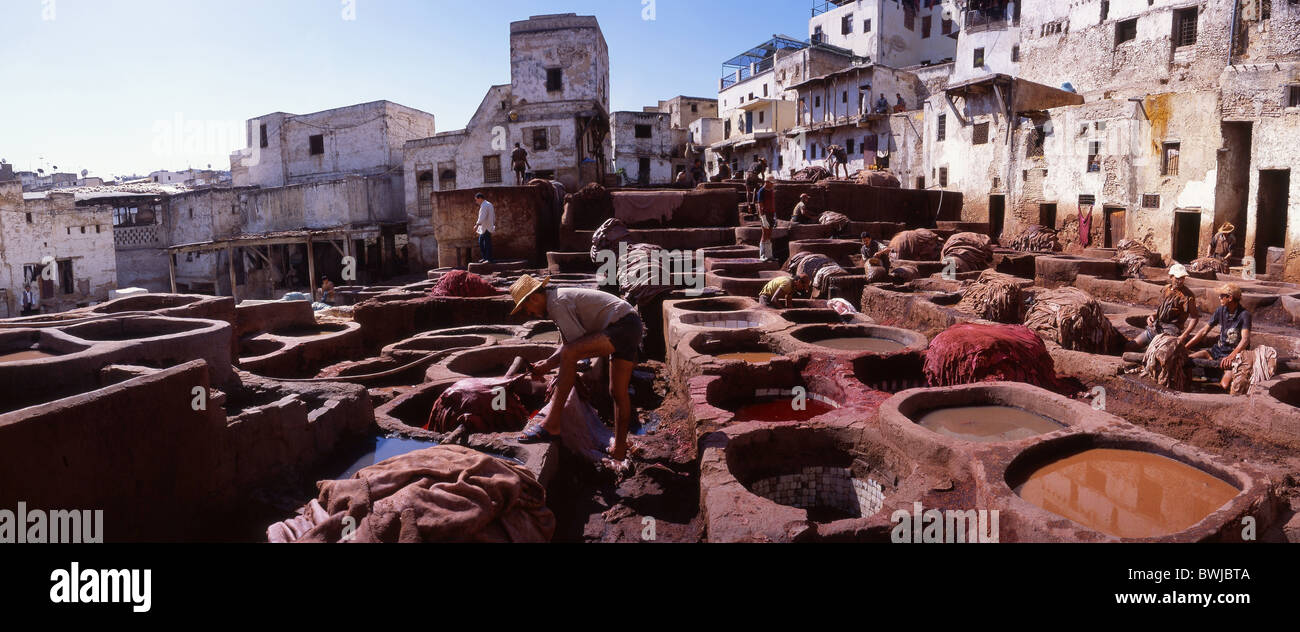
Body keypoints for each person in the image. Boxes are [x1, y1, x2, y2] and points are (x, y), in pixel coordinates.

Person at [511, 275, 644, 462]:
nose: (529, 314)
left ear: (534, 298)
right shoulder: (557, 300)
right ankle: (619, 449)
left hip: (620, 326)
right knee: (617, 391)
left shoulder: (556, 303)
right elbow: (570, 344)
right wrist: (547, 364)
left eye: (527, 309)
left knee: (572, 356)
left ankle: (552, 424)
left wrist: (549, 364)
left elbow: (572, 351)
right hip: (630, 324)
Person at [1187, 283, 1252, 392]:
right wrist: (1185, 347)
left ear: (1230, 298)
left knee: (1224, 386)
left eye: (1222, 296)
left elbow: (1245, 340)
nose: (1219, 298)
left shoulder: (1244, 315)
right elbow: (1203, 331)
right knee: (1186, 360)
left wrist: (1231, 356)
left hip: (1234, 356)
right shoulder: (1221, 310)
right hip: (1217, 351)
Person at [1132, 263, 1200, 350]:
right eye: (1177, 278)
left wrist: (1184, 335)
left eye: (1182, 278)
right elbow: (1161, 310)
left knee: (1158, 353)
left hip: (1171, 331)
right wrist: (1152, 316)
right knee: (1130, 346)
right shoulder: (1166, 289)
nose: (1180, 281)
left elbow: (1195, 317)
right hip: (1157, 327)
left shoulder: (1187, 296)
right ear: (1171, 277)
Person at [756, 175, 777, 262]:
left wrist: (775, 215)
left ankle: (769, 255)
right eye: (771, 183)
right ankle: (762, 255)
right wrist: (763, 218)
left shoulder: (771, 191)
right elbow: (760, 206)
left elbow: (772, 203)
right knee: (764, 234)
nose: (772, 185)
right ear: (767, 182)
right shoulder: (761, 191)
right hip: (765, 215)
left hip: (771, 214)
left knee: (769, 235)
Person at [473, 192, 495, 264]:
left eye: (476, 200)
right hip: (486, 227)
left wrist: (477, 225)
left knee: (486, 243)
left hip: (486, 227)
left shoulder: (485, 205)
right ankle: (485, 258)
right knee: (482, 242)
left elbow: (482, 216)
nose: (476, 202)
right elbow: (493, 216)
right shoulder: (488, 204)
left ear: (480, 198)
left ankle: (488, 259)